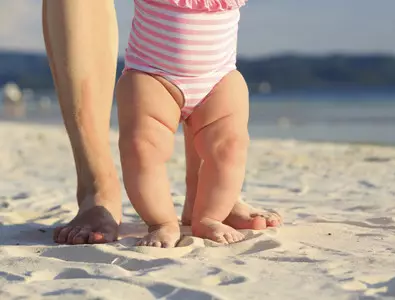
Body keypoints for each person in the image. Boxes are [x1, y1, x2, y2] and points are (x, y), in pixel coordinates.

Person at [42, 0, 281, 246]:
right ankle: (161, 221)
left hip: (219, 76)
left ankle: (208, 214)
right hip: (152, 75)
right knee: (142, 147)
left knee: (229, 146)